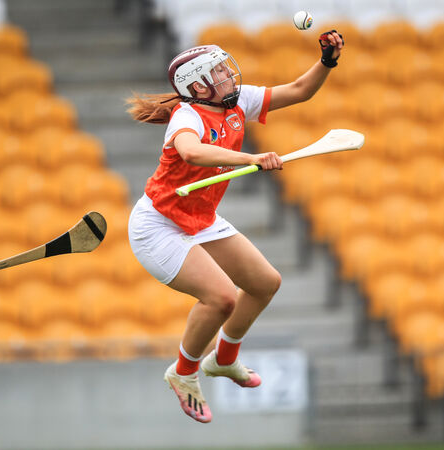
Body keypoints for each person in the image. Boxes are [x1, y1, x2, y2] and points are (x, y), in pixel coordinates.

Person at [126, 30, 345, 423]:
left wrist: (327, 61)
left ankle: (223, 360)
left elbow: (298, 90)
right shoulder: (187, 116)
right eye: (219, 72)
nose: (230, 75)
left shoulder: (237, 100)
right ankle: (184, 372)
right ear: (197, 86)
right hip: (159, 226)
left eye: (226, 68)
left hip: (201, 220)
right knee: (222, 298)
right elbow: (192, 150)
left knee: (265, 283)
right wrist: (251, 158)